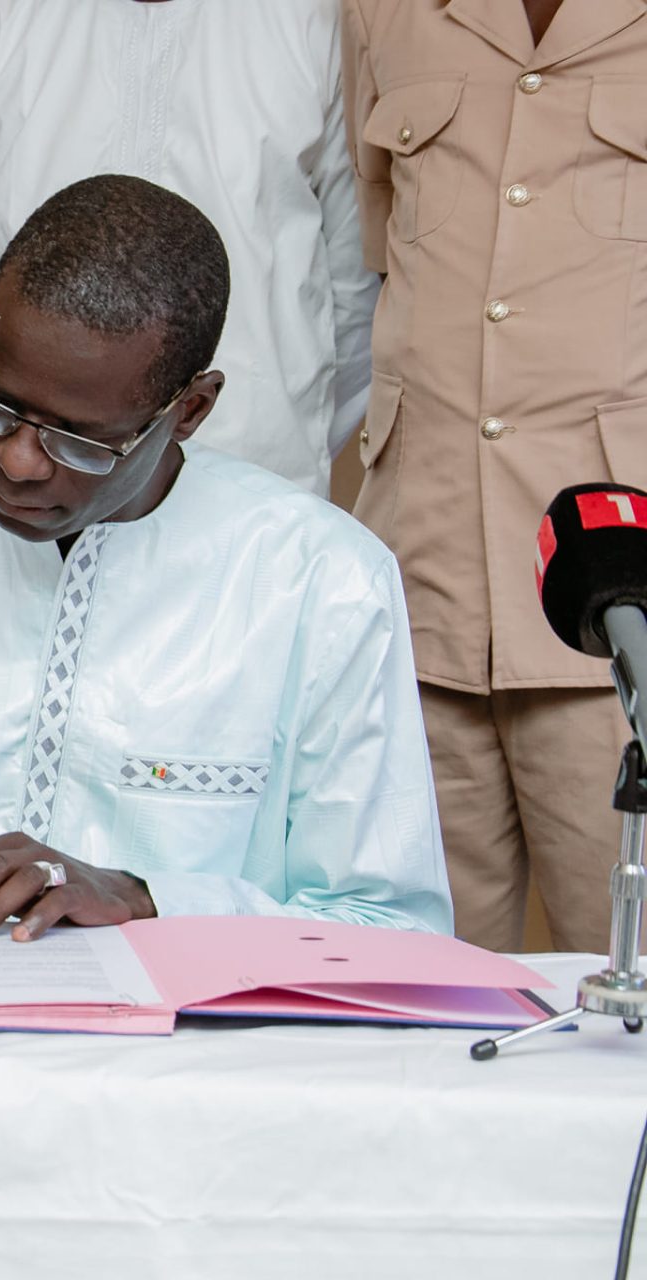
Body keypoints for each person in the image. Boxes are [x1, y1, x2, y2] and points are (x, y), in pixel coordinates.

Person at [0, 176, 451, 939]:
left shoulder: (324, 584)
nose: (17, 461)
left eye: (78, 439)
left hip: (188, 1021)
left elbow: (390, 926)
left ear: (190, 410)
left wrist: (146, 900)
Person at [343, 0, 645, 951]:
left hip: (617, 587)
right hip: (424, 574)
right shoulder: (384, 11)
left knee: (629, 971)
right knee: (422, 976)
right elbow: (380, 247)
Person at [0, 0, 376, 499]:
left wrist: (280, 429)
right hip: (49, 476)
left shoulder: (314, 23)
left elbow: (355, 298)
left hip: (255, 469)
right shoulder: (5, 23)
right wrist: (53, 433)